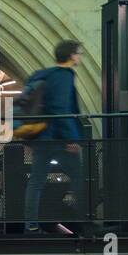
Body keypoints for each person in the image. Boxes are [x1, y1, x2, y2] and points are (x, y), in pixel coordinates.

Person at [22, 40, 85, 235]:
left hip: (40, 137)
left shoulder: (41, 75)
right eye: (79, 53)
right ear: (71, 55)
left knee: (37, 181)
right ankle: (84, 221)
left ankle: (31, 226)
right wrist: (72, 139)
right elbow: (61, 109)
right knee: (80, 177)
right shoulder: (64, 76)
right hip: (58, 139)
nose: (80, 56)